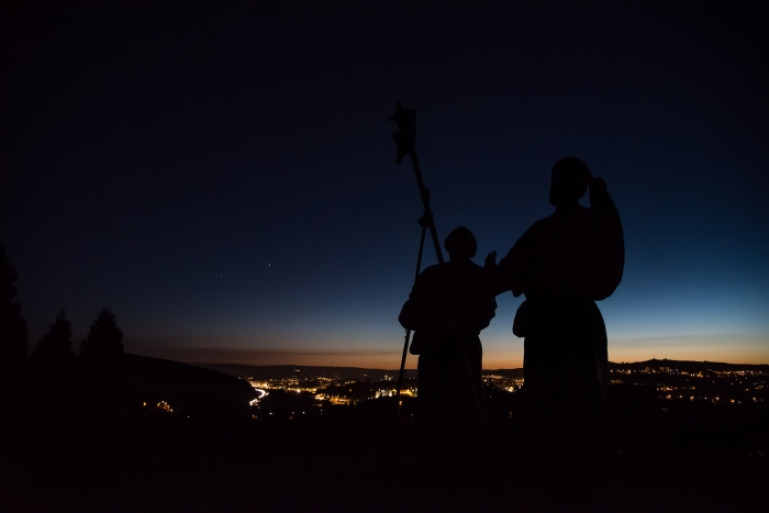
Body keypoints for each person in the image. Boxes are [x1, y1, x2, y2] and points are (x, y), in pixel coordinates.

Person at [497, 157, 624, 480]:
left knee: (554, 400)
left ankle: (555, 471)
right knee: (580, 402)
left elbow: (506, 274)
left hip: (551, 325)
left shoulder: (542, 231)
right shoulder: (591, 224)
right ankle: (582, 470)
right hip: (575, 323)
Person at [399, 227, 497, 455]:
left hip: (444, 347)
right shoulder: (469, 275)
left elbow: (409, 314)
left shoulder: (433, 274)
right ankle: (456, 455)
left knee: (443, 403)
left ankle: (438, 454)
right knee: (457, 404)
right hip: (445, 346)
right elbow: (485, 313)